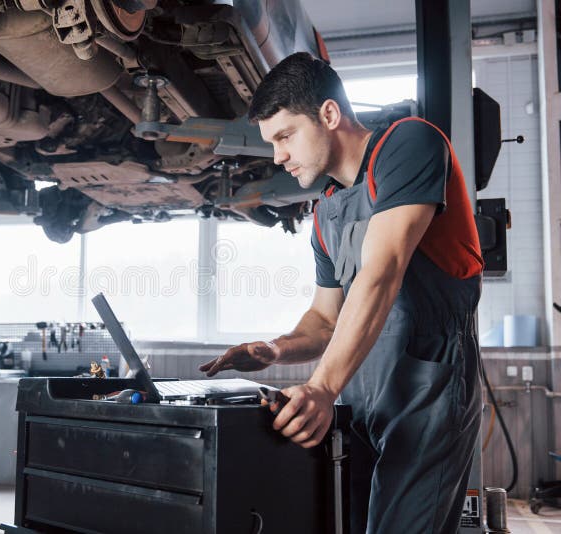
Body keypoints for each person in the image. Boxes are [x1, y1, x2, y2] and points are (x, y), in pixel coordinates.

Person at [199, 52, 483, 533]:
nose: (277, 156)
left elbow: (382, 269)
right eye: (272, 143)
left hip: (427, 397)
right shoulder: (326, 210)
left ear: (329, 115)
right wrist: (275, 350)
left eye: (285, 136)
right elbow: (325, 321)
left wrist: (321, 387)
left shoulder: (409, 143)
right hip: (362, 401)